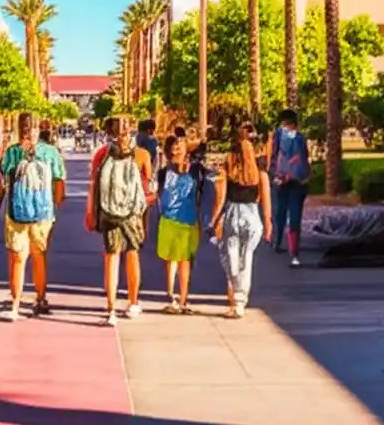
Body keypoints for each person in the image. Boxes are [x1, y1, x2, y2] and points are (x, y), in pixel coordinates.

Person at [0, 114, 66, 320]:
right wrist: (54, 207)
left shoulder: (12, 152)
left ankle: (15, 303)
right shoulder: (51, 152)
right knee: (39, 256)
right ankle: (40, 297)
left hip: (16, 213)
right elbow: (59, 181)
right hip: (43, 213)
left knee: (17, 258)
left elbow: (3, 176)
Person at [86, 116, 149, 325]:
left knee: (111, 257)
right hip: (132, 214)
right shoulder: (141, 154)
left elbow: (94, 185)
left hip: (109, 212)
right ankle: (133, 302)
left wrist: (91, 212)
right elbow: (146, 187)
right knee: (132, 255)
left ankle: (111, 307)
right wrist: (144, 218)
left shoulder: (102, 154)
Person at [211, 123, 272, 319]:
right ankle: (240, 300)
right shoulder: (260, 174)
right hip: (252, 216)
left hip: (233, 215)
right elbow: (265, 201)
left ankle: (236, 297)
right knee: (247, 258)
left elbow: (221, 199)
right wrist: (268, 223)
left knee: (231, 258)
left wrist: (214, 220)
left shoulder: (229, 170)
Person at [155, 135, 213, 314]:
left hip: (189, 220)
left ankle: (183, 298)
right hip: (169, 220)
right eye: (174, 148)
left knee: (185, 260)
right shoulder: (164, 172)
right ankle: (171, 296)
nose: (177, 151)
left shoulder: (197, 171)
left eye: (180, 147)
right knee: (171, 258)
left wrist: (206, 219)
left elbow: (206, 193)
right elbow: (159, 195)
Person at [268, 109, 312, 268]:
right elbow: (302, 158)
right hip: (295, 180)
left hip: (285, 180)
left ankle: (280, 242)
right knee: (291, 215)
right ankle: (291, 250)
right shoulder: (296, 138)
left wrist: (276, 174)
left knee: (282, 213)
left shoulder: (280, 137)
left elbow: (275, 157)